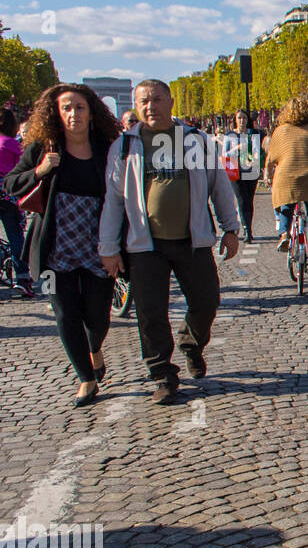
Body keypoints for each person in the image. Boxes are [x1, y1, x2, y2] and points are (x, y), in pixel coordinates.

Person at [99, 79, 240, 405]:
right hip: (145, 245)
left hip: (193, 240)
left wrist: (230, 228)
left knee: (207, 301)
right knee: (150, 314)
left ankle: (192, 342)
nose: (151, 106)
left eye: (157, 99)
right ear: (135, 104)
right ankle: (162, 373)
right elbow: (113, 202)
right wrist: (107, 248)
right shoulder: (124, 146)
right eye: (144, 101)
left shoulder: (196, 141)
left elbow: (219, 185)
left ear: (171, 102)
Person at [2, 85, 120, 403]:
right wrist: (40, 171)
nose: (73, 114)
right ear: (56, 112)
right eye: (66, 108)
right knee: (65, 314)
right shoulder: (43, 147)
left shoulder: (106, 147)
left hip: (98, 246)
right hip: (56, 247)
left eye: (79, 107)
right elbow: (11, 182)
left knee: (98, 315)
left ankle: (94, 348)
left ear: (91, 111)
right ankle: (85, 379)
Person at [265, 95, 308, 274]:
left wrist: (268, 176)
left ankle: (284, 233)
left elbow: (272, 159)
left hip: (287, 179)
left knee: (286, 207)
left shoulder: (281, 130)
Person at [0, 108, 35, 297]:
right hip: (8, 195)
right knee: (15, 237)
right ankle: (22, 278)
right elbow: (23, 171)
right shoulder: (12, 145)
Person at [225, 109, 263, 243]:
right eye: (239, 118)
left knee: (249, 200)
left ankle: (249, 226)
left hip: (251, 170)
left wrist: (255, 159)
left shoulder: (253, 134)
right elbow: (225, 154)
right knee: (241, 200)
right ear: (235, 120)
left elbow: (258, 151)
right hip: (236, 172)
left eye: (244, 118)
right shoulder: (230, 135)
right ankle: (246, 229)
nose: (242, 121)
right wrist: (237, 149)